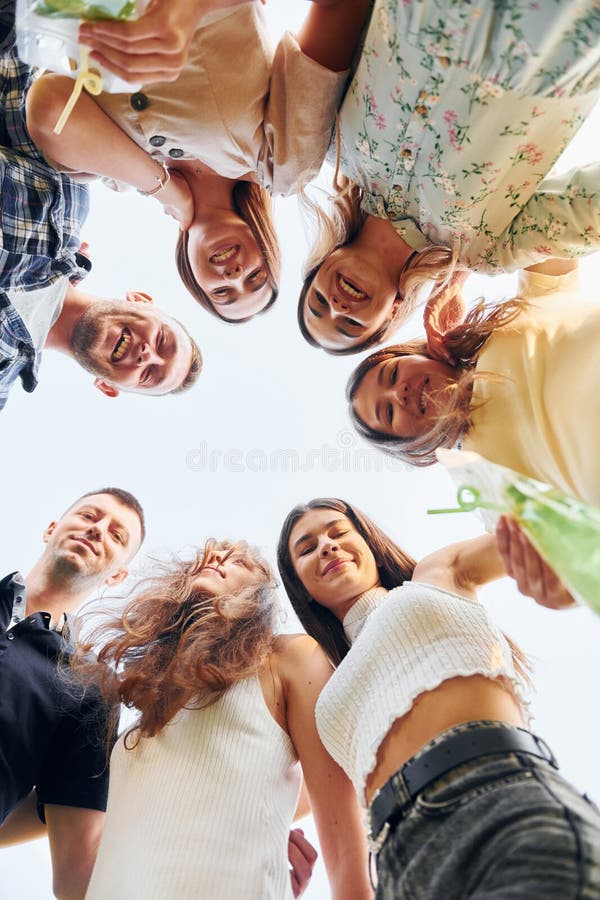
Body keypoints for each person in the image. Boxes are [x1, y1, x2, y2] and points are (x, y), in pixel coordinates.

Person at [277, 497, 600, 898]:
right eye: (307, 549)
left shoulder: (434, 575)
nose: (327, 545)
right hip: (400, 863)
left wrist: (563, 566)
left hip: (495, 797)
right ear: (302, 588)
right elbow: (322, 824)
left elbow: (540, 528)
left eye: (339, 532)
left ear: (370, 546)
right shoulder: (323, 691)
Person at [26, 0, 372, 324]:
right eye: (256, 276)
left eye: (221, 292)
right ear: (268, 245)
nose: (235, 276)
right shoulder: (282, 164)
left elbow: (48, 107)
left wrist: (168, 191)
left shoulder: (116, 174)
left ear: (189, 271)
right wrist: (187, 10)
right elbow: (340, 7)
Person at [297, 0, 600, 355]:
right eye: (350, 326)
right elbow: (586, 214)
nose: (337, 307)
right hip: (552, 31)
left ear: (321, 264)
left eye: (318, 301)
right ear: (392, 313)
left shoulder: (332, 147)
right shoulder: (482, 250)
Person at [77, 540, 372, 899]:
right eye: (214, 552)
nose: (218, 557)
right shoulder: (138, 723)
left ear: (260, 598)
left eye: (243, 563)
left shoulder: (286, 658)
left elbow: (342, 833)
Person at [0, 5, 201, 409]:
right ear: (142, 300)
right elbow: (15, 56)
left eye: (150, 374)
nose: (149, 354)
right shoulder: (67, 202)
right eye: (163, 340)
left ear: (108, 388)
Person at [347, 258, 600, 506]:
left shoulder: (516, 313)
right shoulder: (481, 480)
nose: (398, 394)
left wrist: (452, 281)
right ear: (410, 443)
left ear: (417, 355)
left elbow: (539, 228)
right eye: (388, 412)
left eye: (392, 375)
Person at [0, 488, 145, 900]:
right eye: (89, 516)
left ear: (117, 575)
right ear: (51, 529)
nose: (98, 530)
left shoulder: (91, 690)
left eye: (118, 536)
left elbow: (76, 876)